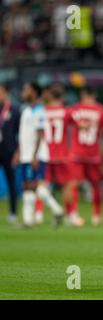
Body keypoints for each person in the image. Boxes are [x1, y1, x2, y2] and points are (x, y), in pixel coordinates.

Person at [18, 82, 63, 227]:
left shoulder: (39, 110)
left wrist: (35, 155)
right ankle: (29, 219)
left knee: (33, 185)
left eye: (26, 89)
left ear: (34, 93)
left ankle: (53, 211)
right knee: (27, 185)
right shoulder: (26, 110)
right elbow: (24, 135)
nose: (23, 92)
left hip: (35, 154)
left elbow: (40, 133)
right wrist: (19, 152)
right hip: (26, 154)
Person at [66, 86, 103, 226]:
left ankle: (72, 213)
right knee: (96, 185)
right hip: (93, 153)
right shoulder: (101, 110)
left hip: (77, 153)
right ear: (94, 95)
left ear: (83, 94)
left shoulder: (74, 109)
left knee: (73, 184)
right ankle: (97, 215)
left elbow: (66, 123)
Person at [44, 83, 84, 227]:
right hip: (62, 154)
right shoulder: (66, 112)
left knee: (41, 185)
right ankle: (71, 214)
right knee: (68, 185)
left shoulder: (43, 111)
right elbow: (80, 125)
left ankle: (37, 214)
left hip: (45, 153)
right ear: (63, 97)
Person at [0, 83, 20, 224]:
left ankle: (13, 212)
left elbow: (21, 133)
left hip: (9, 151)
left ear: (6, 92)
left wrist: (18, 152)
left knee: (11, 182)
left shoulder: (15, 109)